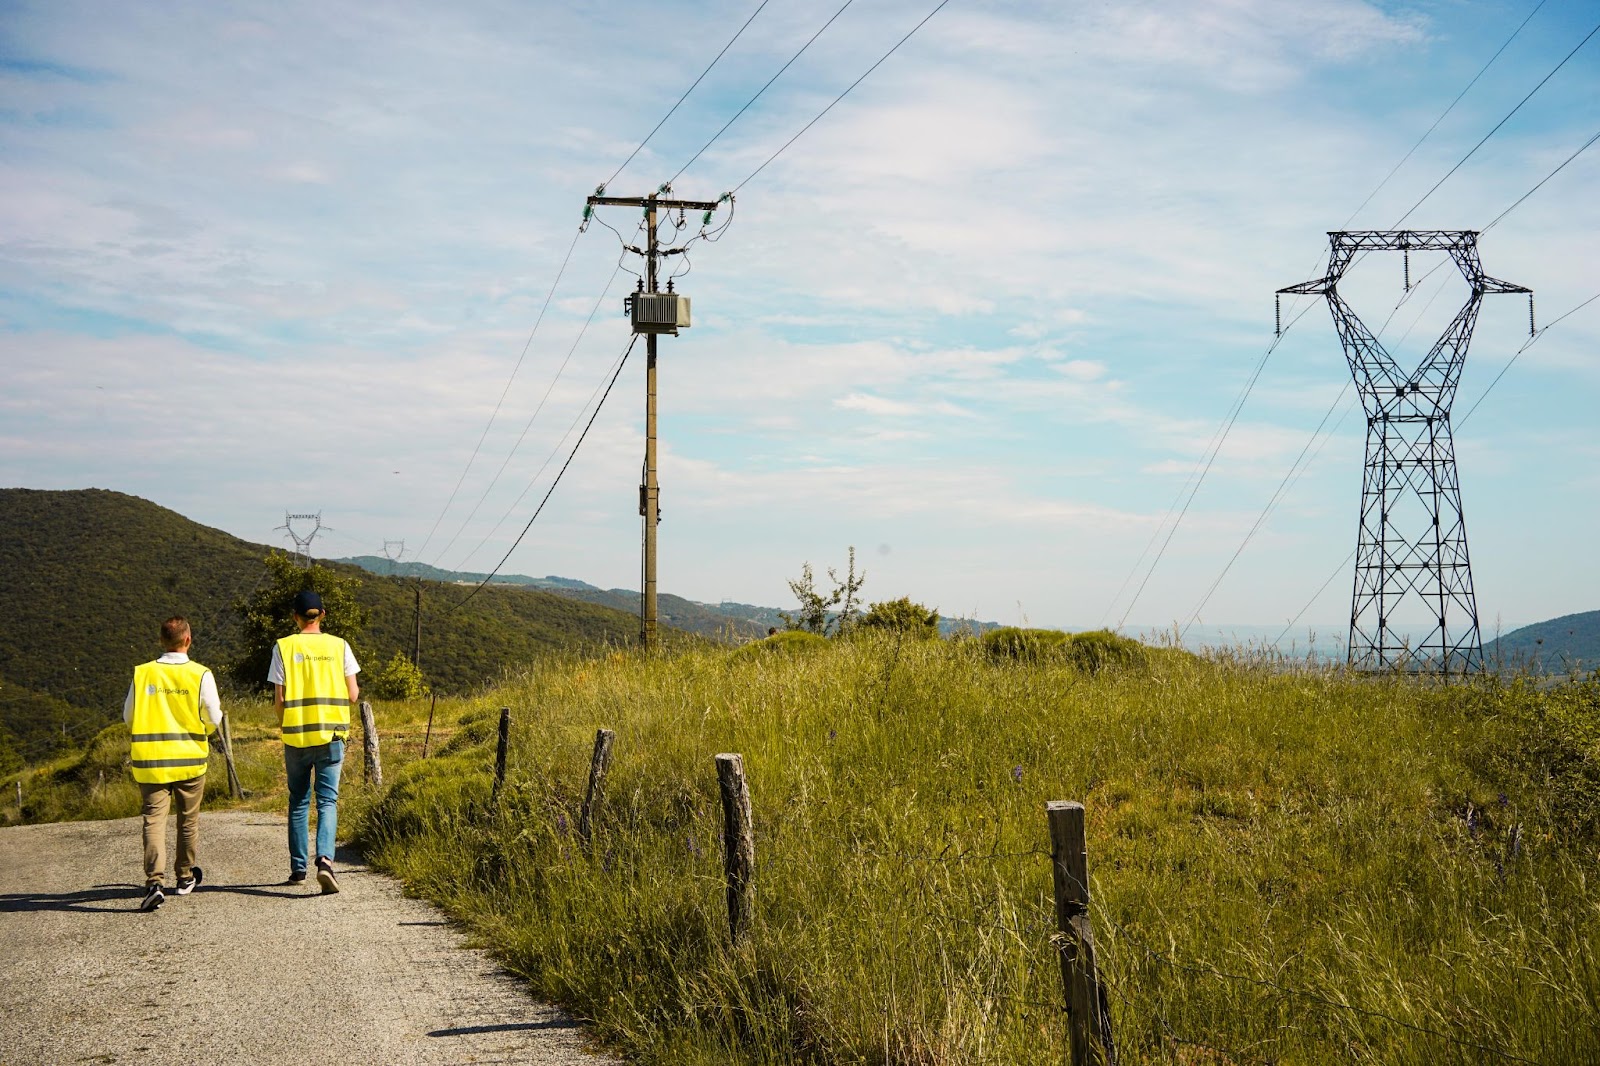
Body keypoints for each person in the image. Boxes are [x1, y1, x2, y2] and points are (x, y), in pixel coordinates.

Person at [125, 616, 222, 912]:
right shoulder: (201, 674)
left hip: (150, 762)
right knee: (187, 820)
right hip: (190, 759)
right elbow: (213, 717)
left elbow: (128, 717)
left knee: (153, 820)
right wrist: (201, 732)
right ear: (188, 640)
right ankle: (184, 877)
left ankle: (154, 882)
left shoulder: (142, 674)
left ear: (161, 641)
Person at [267, 590, 360, 893]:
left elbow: (279, 699)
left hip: (296, 735)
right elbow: (353, 694)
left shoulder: (283, 646)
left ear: (295, 616)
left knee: (298, 802)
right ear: (322, 614)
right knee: (328, 801)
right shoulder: (339, 646)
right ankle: (325, 862)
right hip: (331, 734)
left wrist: (287, 721)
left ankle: (298, 869)